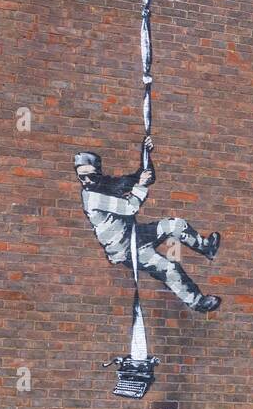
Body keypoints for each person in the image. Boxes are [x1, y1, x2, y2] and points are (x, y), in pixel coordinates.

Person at [74, 133, 221, 313]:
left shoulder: (106, 184)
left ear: (99, 172)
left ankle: (206, 248)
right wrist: (141, 184)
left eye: (92, 176)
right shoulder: (92, 198)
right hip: (125, 250)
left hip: (135, 234)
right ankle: (198, 302)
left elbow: (144, 178)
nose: (87, 182)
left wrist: (146, 154)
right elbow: (130, 208)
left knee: (176, 224)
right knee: (168, 267)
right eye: (82, 177)